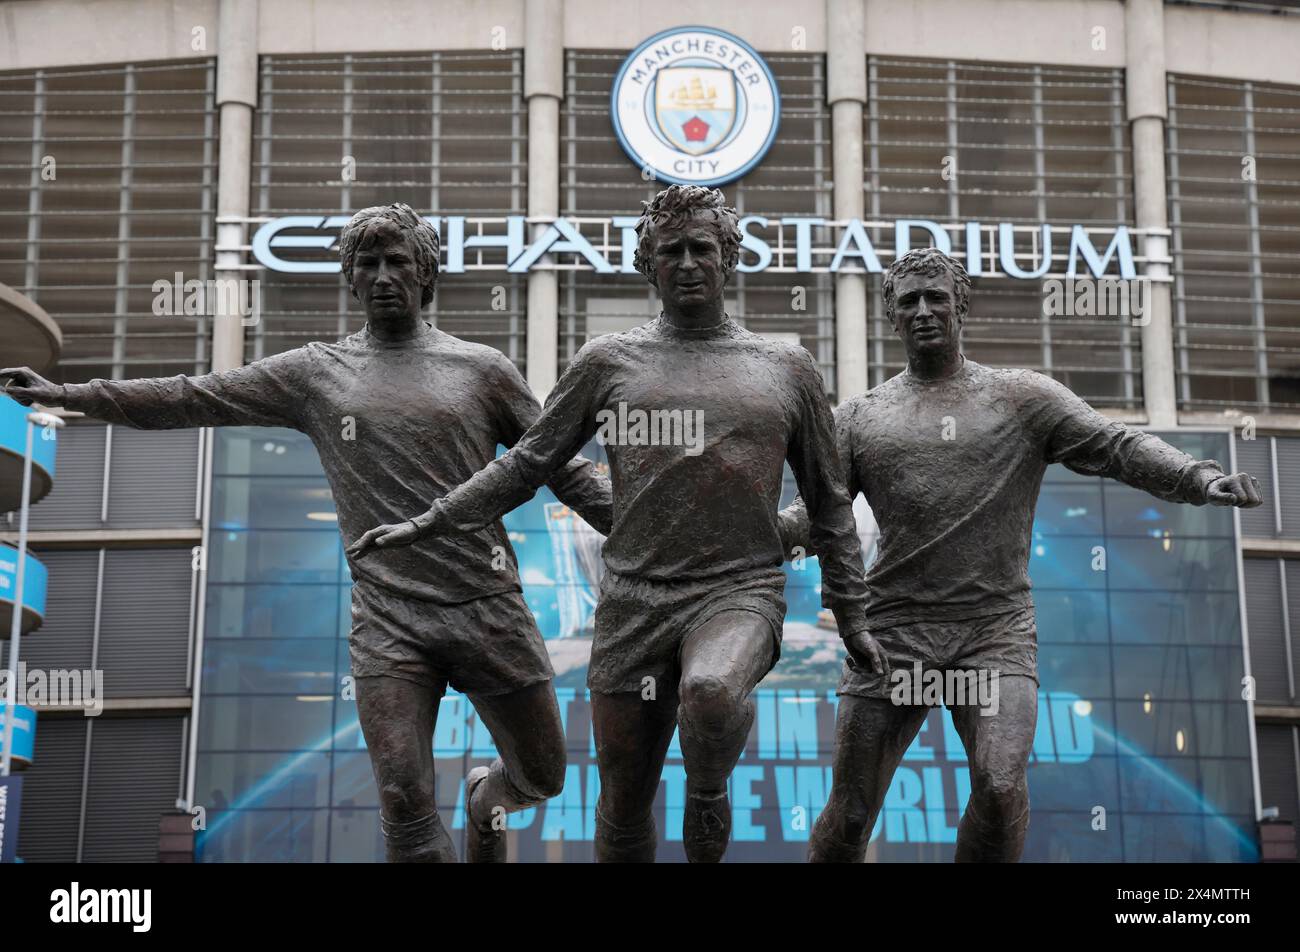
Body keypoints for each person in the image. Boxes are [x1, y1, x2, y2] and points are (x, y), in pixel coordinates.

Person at [2, 202, 613, 864]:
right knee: (407, 818)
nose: (382, 276)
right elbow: (192, 395)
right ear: (350, 278)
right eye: (367, 264)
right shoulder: (316, 374)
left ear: (426, 274)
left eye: (397, 262)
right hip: (390, 623)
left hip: (488, 610)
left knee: (543, 775)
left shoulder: (482, 370)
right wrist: (76, 394)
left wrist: (645, 532)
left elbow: (563, 469)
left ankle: (483, 801)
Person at [349, 184, 885, 862]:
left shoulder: (786, 367)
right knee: (623, 805)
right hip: (632, 600)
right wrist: (433, 520)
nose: (687, 263)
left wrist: (853, 612)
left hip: (737, 590)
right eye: (670, 252)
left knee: (711, 693)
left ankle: (710, 785)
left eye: (701, 249)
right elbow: (527, 464)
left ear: (728, 257)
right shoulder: (607, 363)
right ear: (647, 265)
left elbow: (830, 502)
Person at [779, 247, 1263, 862]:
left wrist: (1197, 477)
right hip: (893, 633)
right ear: (891, 316)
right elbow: (816, 517)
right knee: (850, 813)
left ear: (962, 306)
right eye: (909, 301)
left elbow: (1116, 444)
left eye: (937, 297)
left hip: (992, 631)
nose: (924, 311)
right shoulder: (859, 419)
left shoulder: (1022, 399)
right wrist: (754, 533)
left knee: (1001, 786)